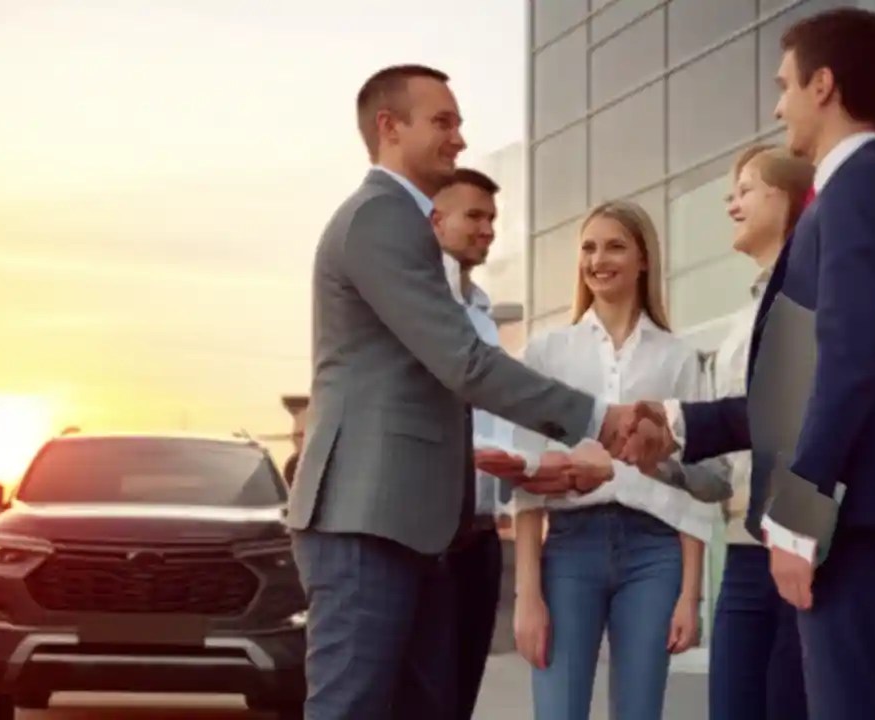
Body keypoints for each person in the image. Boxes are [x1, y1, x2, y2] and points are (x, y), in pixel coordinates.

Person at [286, 64, 640, 720]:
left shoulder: (402, 223)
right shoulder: (379, 218)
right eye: (442, 121)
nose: (459, 138)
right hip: (363, 517)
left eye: (459, 122)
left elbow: (442, 382)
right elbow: (465, 364)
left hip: (407, 522)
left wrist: (539, 465)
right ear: (390, 128)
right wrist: (598, 417)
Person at [623, 9, 875, 719]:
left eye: (784, 85)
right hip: (844, 519)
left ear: (822, 85)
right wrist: (675, 421)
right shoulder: (841, 201)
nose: (776, 105)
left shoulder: (863, 190)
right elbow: (791, 392)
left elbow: (849, 366)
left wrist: (798, 521)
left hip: (851, 521)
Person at [505, 200, 720, 720]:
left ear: (644, 259)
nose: (599, 259)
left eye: (615, 246)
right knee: (558, 712)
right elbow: (527, 482)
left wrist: (690, 594)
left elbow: (694, 482)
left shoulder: (678, 357)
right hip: (569, 552)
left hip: (655, 553)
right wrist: (527, 595)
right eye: (589, 247)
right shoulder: (548, 352)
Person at [707, 144, 814, 720]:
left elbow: (805, 416)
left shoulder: (814, 293)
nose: (732, 204)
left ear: (787, 199)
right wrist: (653, 459)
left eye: (745, 189)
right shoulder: (741, 320)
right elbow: (731, 451)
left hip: (801, 545)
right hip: (745, 552)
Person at [430, 166, 512, 720]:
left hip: (481, 534)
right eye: (474, 216)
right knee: (423, 698)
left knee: (460, 699)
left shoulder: (484, 316)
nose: (486, 230)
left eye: (492, 219)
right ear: (434, 221)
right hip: (428, 535)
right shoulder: (416, 304)